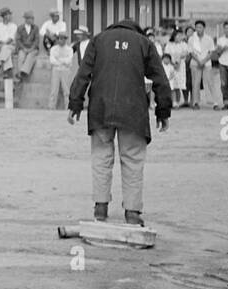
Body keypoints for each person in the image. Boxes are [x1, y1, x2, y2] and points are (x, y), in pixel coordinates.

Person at [68, 17, 171, 227]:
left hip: (100, 108)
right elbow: (160, 79)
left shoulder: (98, 40)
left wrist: (75, 104)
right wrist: (163, 111)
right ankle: (132, 212)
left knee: (101, 157)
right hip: (133, 109)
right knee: (132, 159)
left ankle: (100, 207)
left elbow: (83, 74)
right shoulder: (145, 43)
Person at [186, 20, 214, 109]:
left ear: (204, 28)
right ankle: (196, 102)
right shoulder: (192, 39)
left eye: (200, 27)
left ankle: (214, 102)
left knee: (209, 82)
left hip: (207, 63)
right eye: (197, 27)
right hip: (195, 63)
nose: (198, 29)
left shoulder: (209, 38)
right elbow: (191, 52)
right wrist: (198, 61)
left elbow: (211, 52)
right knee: (195, 83)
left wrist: (203, 61)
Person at [47, 33, 74, 110]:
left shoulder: (69, 49)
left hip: (66, 70)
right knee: (54, 90)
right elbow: (52, 61)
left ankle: (68, 107)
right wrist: (62, 61)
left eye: (62, 38)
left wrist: (59, 60)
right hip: (56, 70)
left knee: (67, 90)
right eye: (59, 38)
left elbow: (69, 61)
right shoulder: (53, 49)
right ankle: (51, 107)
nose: (61, 40)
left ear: (65, 39)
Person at [164, 29, 189, 109]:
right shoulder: (169, 45)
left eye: (180, 35)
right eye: (177, 35)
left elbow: (185, 53)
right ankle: (172, 101)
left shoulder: (184, 44)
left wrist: (178, 61)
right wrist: (172, 63)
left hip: (180, 66)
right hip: (170, 66)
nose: (179, 37)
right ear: (174, 36)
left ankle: (177, 102)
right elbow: (166, 55)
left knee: (178, 85)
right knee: (172, 84)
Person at [0, 7, 17, 87]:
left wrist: (4, 45)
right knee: (6, 53)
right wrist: (2, 45)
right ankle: (7, 72)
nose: (10, 16)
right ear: (4, 16)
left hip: (11, 46)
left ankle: (0, 62)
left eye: (10, 14)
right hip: (1, 47)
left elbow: (11, 38)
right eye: (8, 15)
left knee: (6, 48)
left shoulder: (14, 26)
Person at [15, 11, 40, 83]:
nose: (32, 20)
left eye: (32, 18)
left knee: (30, 56)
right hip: (23, 48)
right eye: (30, 18)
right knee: (21, 56)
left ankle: (23, 72)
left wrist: (31, 49)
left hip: (33, 48)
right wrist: (23, 48)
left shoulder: (35, 28)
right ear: (26, 19)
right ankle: (20, 74)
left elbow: (37, 40)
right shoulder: (20, 28)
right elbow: (18, 40)